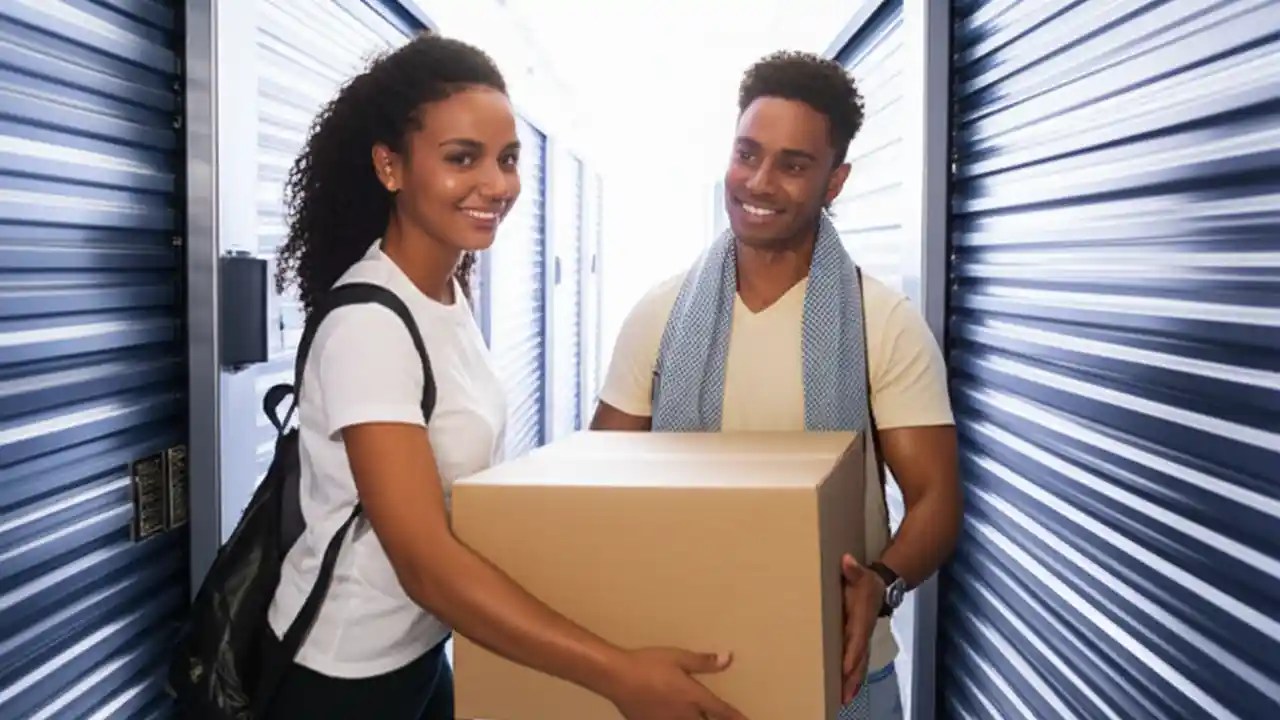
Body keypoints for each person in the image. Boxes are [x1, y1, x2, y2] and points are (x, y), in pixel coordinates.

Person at [267, 32, 746, 720]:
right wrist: (617, 674)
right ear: (390, 167)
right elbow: (426, 563)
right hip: (344, 680)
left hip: (420, 653)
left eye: (508, 159)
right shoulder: (369, 328)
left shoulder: (444, 294)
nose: (497, 185)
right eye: (463, 159)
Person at [591, 50, 963, 719]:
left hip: (842, 674)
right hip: (689, 670)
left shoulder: (882, 323)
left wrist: (878, 584)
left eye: (793, 165)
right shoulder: (661, 315)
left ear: (835, 180)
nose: (759, 181)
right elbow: (599, 484)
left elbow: (936, 498)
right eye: (747, 153)